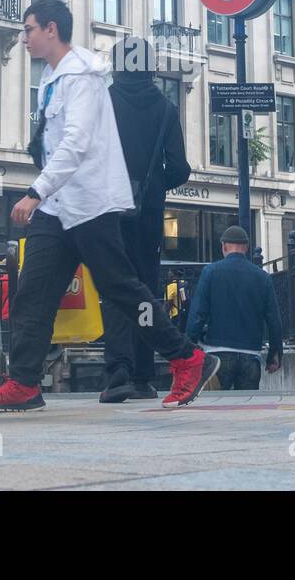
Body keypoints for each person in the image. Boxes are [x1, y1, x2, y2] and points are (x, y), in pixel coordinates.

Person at [0, 0, 219, 411]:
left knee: (120, 289)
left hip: (88, 204)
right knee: (33, 291)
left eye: (29, 28)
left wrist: (35, 192)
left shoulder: (82, 77)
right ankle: (25, 383)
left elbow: (76, 142)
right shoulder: (54, 76)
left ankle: (187, 358)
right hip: (59, 206)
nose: (25, 37)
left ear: (51, 29)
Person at [100, 35, 191, 404]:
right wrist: (153, 187)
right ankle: (142, 375)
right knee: (144, 290)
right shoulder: (166, 108)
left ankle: (116, 370)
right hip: (149, 214)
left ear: (118, 66)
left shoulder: (104, 101)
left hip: (109, 207)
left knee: (114, 287)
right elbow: (181, 168)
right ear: (151, 68)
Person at [185, 226, 282, 391]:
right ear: (247, 247)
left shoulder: (210, 272)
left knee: (215, 406)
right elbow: (274, 319)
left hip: (217, 353)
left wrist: (188, 346)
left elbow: (198, 313)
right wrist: (275, 352)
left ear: (223, 246)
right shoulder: (262, 277)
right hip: (251, 354)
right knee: (247, 410)